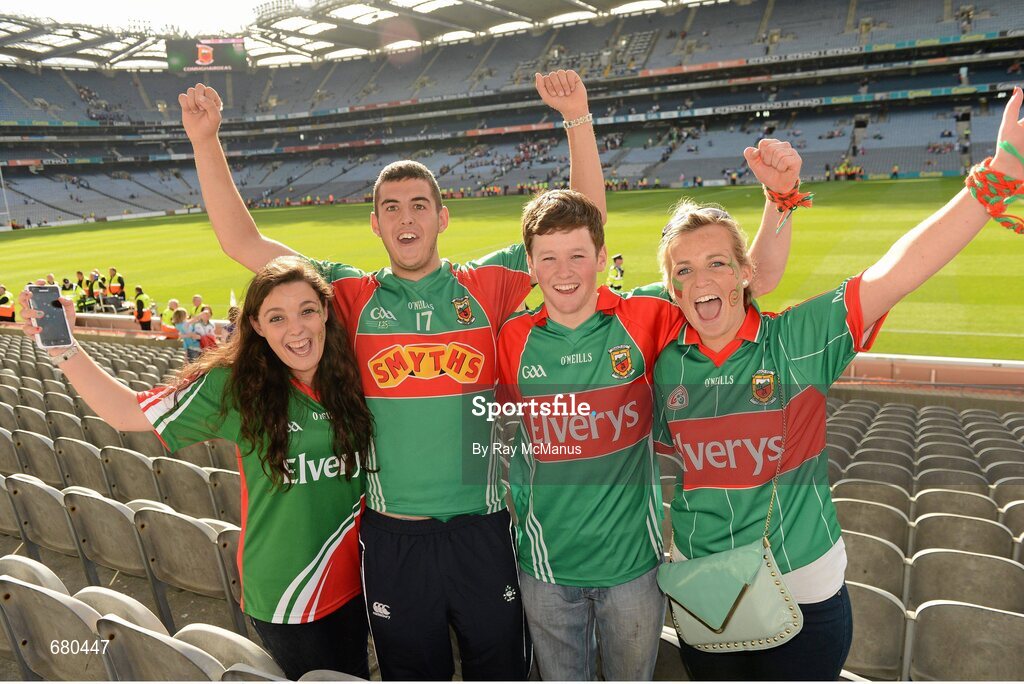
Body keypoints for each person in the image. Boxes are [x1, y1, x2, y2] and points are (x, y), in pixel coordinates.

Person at [178, 70, 604, 680]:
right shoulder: (348, 294)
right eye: (391, 208)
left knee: (501, 671)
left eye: (420, 206)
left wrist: (577, 119)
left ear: (443, 217)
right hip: (394, 539)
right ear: (375, 224)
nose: (407, 219)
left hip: (483, 528)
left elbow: (581, 221)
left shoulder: (489, 285)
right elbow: (241, 240)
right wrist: (205, 139)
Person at [652, 86, 1024, 681]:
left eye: (718, 262)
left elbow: (897, 271)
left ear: (745, 274)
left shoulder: (800, 339)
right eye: (684, 270)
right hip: (703, 595)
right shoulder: (662, 357)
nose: (702, 280)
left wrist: (992, 180)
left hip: (802, 596)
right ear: (671, 289)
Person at [495, 138, 797, 681]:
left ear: (600, 256)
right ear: (531, 265)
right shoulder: (510, 338)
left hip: (634, 569)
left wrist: (780, 200)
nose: (564, 272)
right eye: (549, 258)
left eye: (577, 255)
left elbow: (749, 283)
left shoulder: (644, 315)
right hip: (543, 568)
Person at [19, 258, 376, 680]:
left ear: (325, 313)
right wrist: (65, 348)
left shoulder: (355, 371)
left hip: (360, 576)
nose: (296, 328)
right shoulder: (236, 387)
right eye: (276, 317)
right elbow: (125, 412)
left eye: (307, 310)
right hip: (290, 592)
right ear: (257, 327)